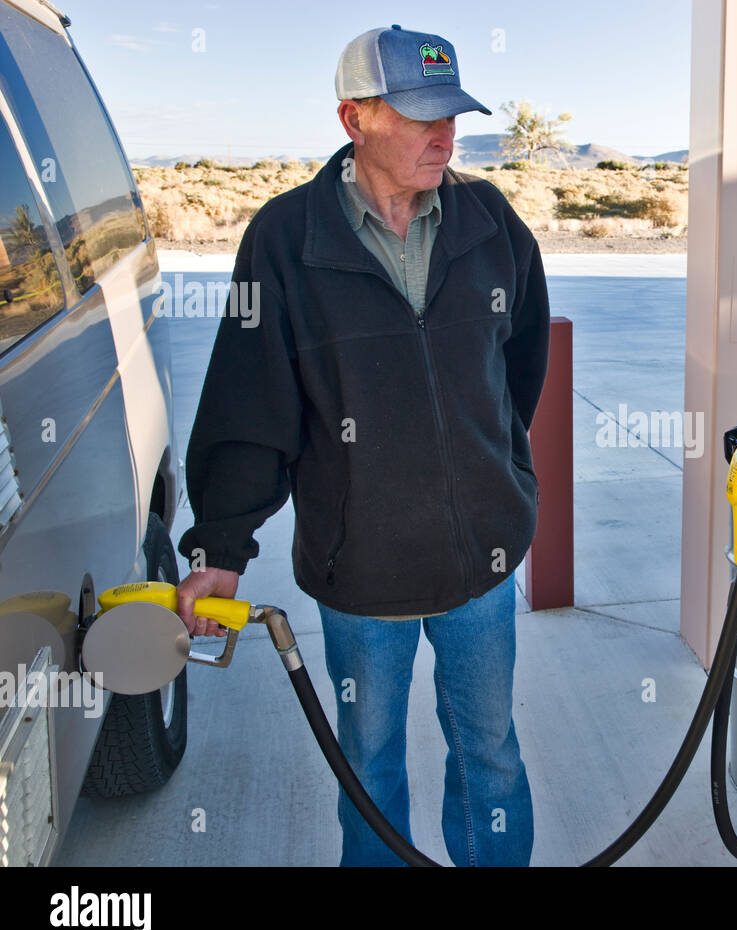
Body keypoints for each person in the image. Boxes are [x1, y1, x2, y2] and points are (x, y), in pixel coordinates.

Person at [174, 25, 549, 867]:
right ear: (353, 118)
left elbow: (519, 362)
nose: (443, 134)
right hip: (361, 571)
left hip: (481, 562)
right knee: (370, 767)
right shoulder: (285, 240)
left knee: (490, 756)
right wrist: (221, 546)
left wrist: (499, 468)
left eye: (451, 112)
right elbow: (247, 398)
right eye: (417, 115)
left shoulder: (491, 220)